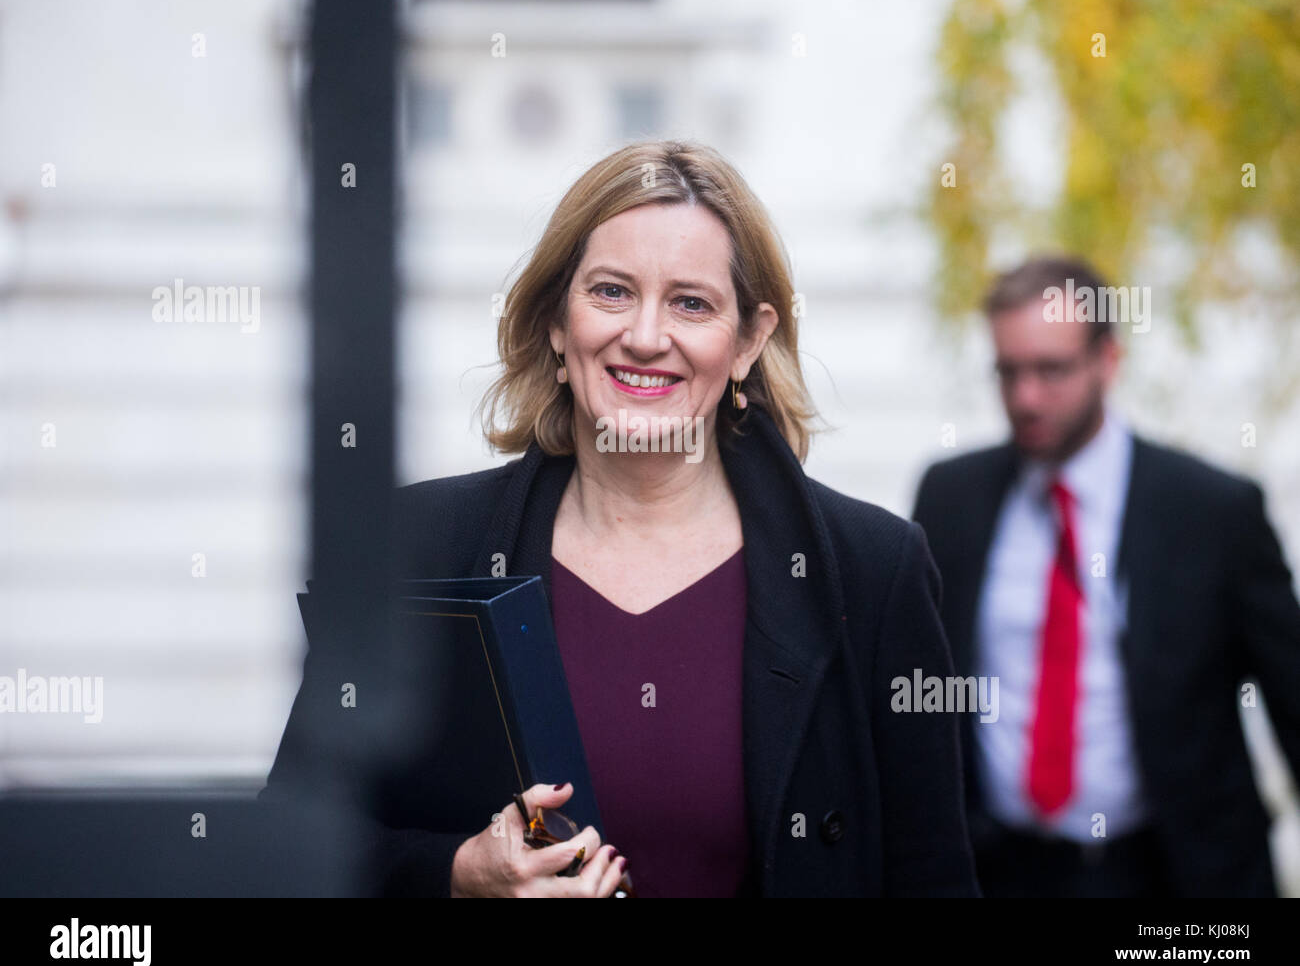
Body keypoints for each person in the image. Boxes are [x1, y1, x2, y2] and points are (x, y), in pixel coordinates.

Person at [263, 139, 980, 897]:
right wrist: (457, 873)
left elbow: (934, 880)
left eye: (691, 303)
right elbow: (287, 843)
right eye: (610, 292)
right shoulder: (422, 545)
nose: (644, 335)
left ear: (748, 341)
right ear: (553, 323)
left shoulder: (870, 570)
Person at [912, 255, 1300, 896]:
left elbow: (1291, 697)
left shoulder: (1212, 511)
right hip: (995, 869)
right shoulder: (952, 497)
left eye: (1051, 370)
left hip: (1169, 876)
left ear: (1108, 361)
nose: (1025, 397)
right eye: (1008, 372)